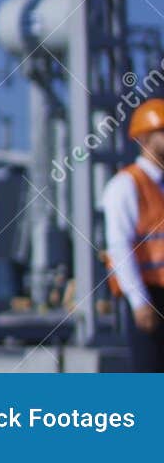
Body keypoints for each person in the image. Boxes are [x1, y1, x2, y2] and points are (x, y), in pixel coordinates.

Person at [102, 99, 164, 372]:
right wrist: (140, 302)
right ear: (146, 138)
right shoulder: (126, 184)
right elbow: (119, 247)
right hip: (151, 296)